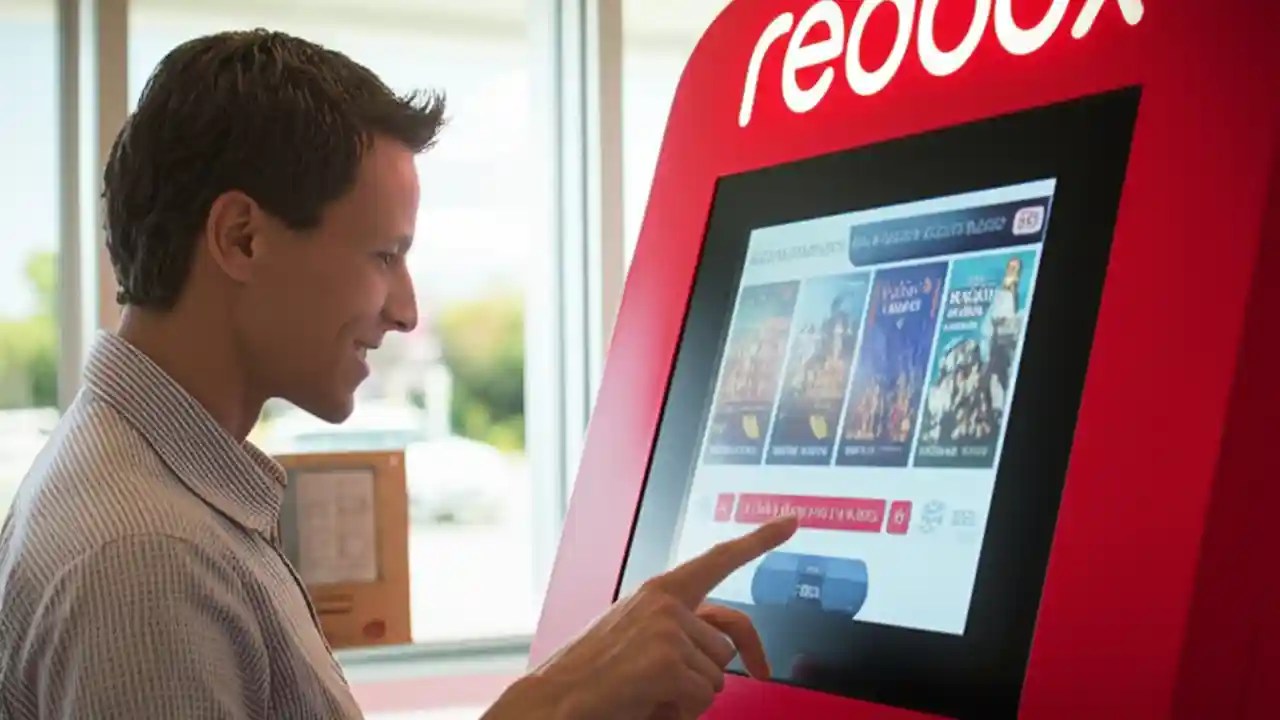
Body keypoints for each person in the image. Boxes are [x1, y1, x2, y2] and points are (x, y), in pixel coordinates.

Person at [0, 30, 798, 720]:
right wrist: (549, 706)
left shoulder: (157, 493)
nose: (407, 311)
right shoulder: (148, 557)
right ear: (241, 239)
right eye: (385, 256)